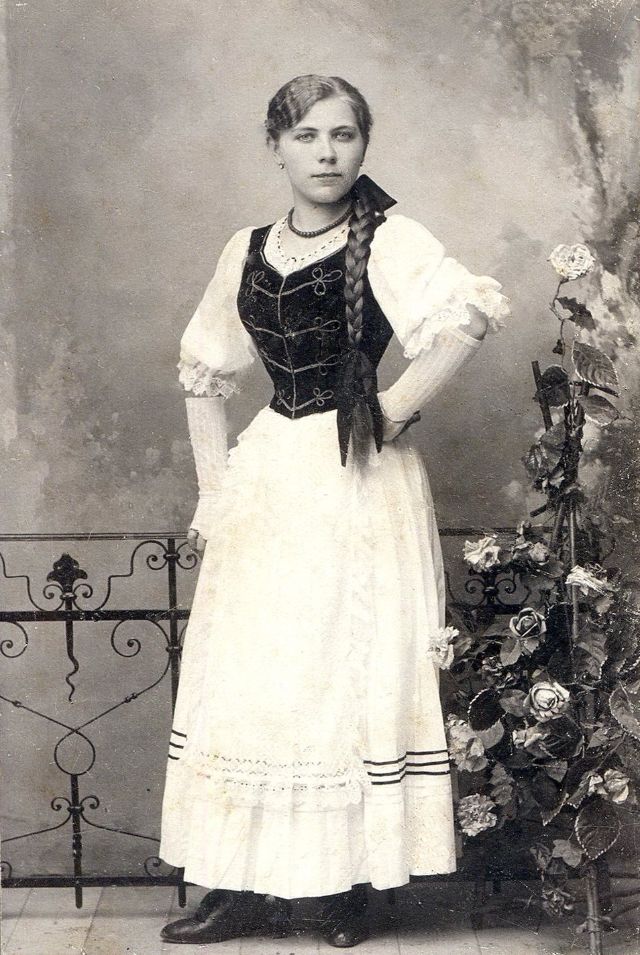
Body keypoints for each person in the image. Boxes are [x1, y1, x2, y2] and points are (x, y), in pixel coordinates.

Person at [158, 74, 510, 947]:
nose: (326, 152)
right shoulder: (244, 248)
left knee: (337, 670)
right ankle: (246, 883)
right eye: (307, 136)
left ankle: (346, 885)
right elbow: (204, 367)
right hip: (273, 477)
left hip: (356, 478)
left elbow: (466, 312)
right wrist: (214, 492)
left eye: (343, 135)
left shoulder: (386, 237)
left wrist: (389, 410)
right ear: (275, 146)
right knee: (257, 671)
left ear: (364, 145)